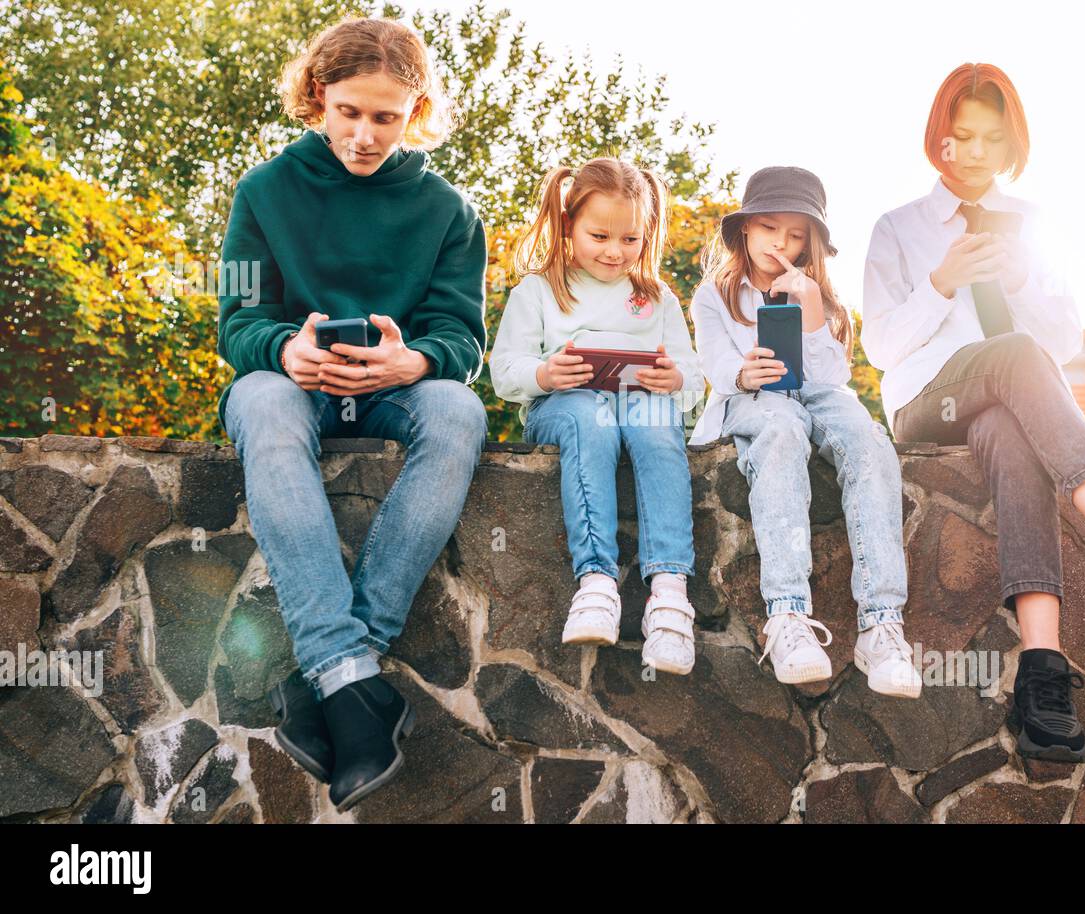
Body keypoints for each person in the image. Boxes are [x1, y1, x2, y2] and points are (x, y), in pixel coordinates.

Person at [861, 62, 1085, 761]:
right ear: (939, 139)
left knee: (1012, 429)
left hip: (1003, 402)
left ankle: (1042, 678)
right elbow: (878, 346)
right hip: (925, 400)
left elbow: (1063, 343)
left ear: (1011, 144)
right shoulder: (897, 228)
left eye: (992, 139)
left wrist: (1020, 277)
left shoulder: (1034, 225)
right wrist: (940, 284)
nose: (973, 154)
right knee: (1013, 356)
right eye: (959, 137)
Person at [217, 17, 489, 810]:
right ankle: (357, 686)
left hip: (395, 390)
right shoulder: (263, 190)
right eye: (348, 112)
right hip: (290, 388)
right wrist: (282, 348)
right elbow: (237, 321)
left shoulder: (448, 210)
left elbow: (460, 338)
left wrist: (418, 360)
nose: (365, 134)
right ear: (316, 97)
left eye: (386, 116)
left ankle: (338, 672)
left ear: (416, 111)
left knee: (459, 412)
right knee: (263, 399)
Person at [690, 166, 921, 696]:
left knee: (869, 441)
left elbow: (832, 378)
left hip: (816, 395)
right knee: (782, 426)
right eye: (770, 228)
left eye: (797, 235)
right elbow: (715, 363)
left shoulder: (822, 297)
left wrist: (811, 309)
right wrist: (742, 372)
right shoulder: (714, 295)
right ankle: (788, 615)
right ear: (744, 230)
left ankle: (882, 624)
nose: (782, 243)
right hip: (750, 399)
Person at [490, 158, 704, 675]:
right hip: (564, 405)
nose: (615, 251)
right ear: (568, 226)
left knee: (658, 422)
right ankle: (597, 583)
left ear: (646, 235)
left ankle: (670, 593)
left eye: (630, 239)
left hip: (638, 401)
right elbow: (505, 370)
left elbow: (693, 378)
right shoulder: (538, 291)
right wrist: (545, 374)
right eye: (600, 235)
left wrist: (674, 381)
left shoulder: (656, 298)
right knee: (590, 420)